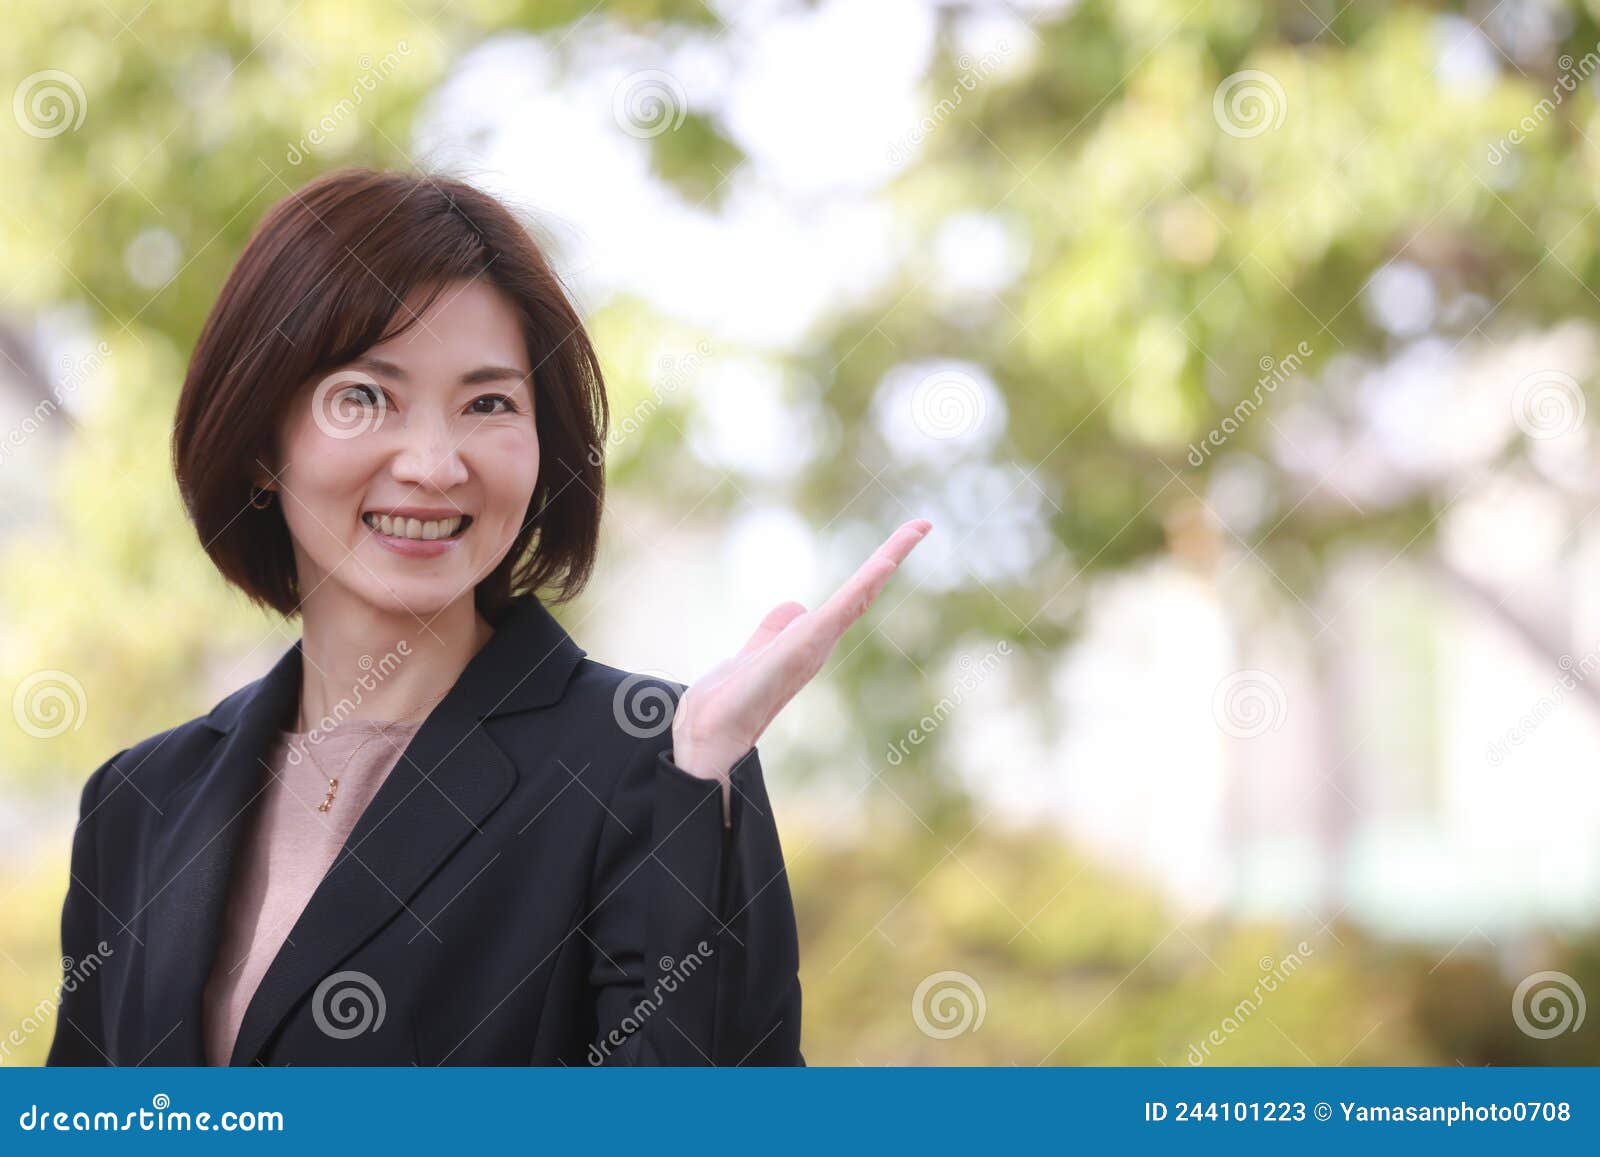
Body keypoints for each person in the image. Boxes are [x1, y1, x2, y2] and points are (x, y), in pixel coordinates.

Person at [44, 167, 930, 1066]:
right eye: (364, 396)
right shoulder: (141, 801)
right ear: (263, 441)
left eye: (489, 403)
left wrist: (698, 776)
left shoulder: (646, 768)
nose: (433, 463)